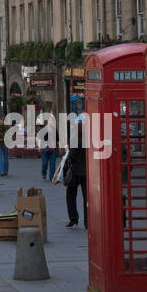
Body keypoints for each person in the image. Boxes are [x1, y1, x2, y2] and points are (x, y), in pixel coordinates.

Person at [64, 96, 89, 228]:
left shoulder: (75, 139)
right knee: (87, 198)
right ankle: (87, 222)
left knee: (70, 195)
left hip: (75, 172)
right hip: (87, 173)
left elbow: (72, 156)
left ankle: (73, 218)